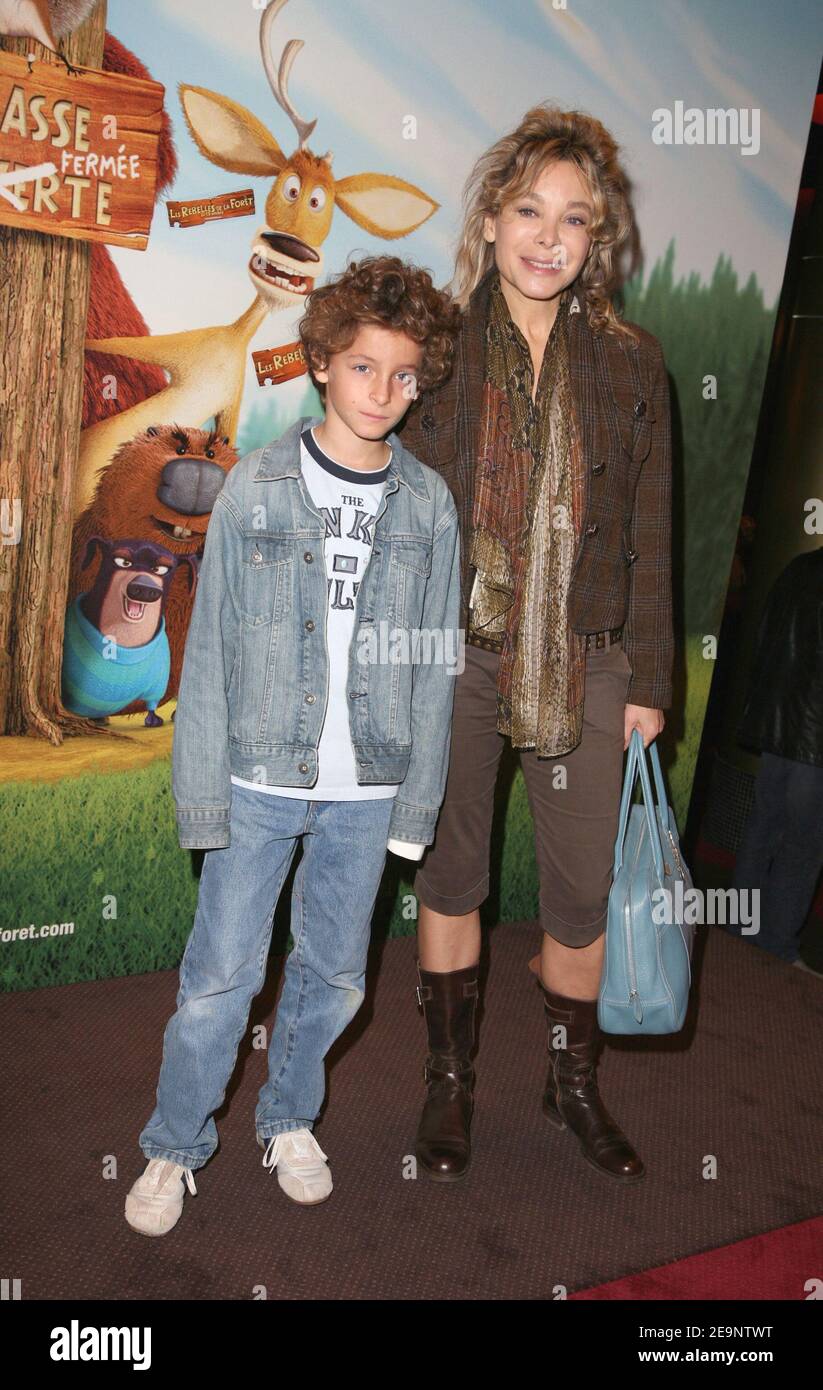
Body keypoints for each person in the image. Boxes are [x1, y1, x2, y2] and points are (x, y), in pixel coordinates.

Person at [125, 256, 463, 1235]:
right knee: (220, 975)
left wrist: (414, 809)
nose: (383, 392)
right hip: (255, 775)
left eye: (404, 375)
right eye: (363, 368)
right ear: (320, 362)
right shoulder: (256, 488)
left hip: (369, 787)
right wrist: (203, 798)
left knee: (338, 972)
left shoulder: (429, 506)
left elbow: (435, 664)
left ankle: (289, 1117)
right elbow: (212, 654)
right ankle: (172, 1141)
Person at [398, 104, 674, 1184]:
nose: (546, 237)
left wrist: (647, 678)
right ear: (492, 214)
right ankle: (449, 1082)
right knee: (452, 875)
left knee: (581, 892)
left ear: (595, 238)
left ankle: (569, 1086)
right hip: (453, 657)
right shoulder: (437, 347)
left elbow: (650, 525)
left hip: (585, 659)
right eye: (527, 209)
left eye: (571, 219)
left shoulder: (631, 364)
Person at [732, 546, 823, 969]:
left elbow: (764, 639)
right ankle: (778, 946)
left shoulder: (796, 567)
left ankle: (739, 930)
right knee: (803, 846)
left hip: (776, 730)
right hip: (815, 741)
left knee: (762, 830)